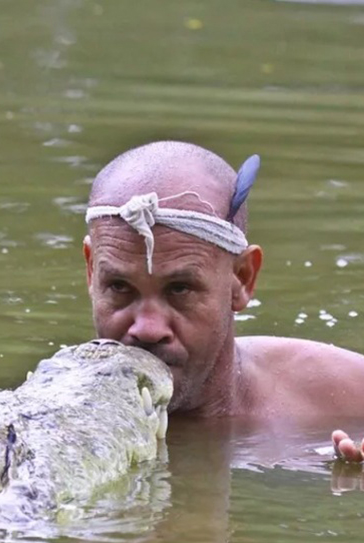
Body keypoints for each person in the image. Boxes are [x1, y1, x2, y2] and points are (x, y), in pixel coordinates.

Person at [81, 141, 364, 462]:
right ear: (92, 271)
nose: (147, 329)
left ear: (241, 279)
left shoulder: (347, 396)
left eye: (179, 289)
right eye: (120, 286)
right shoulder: (50, 416)